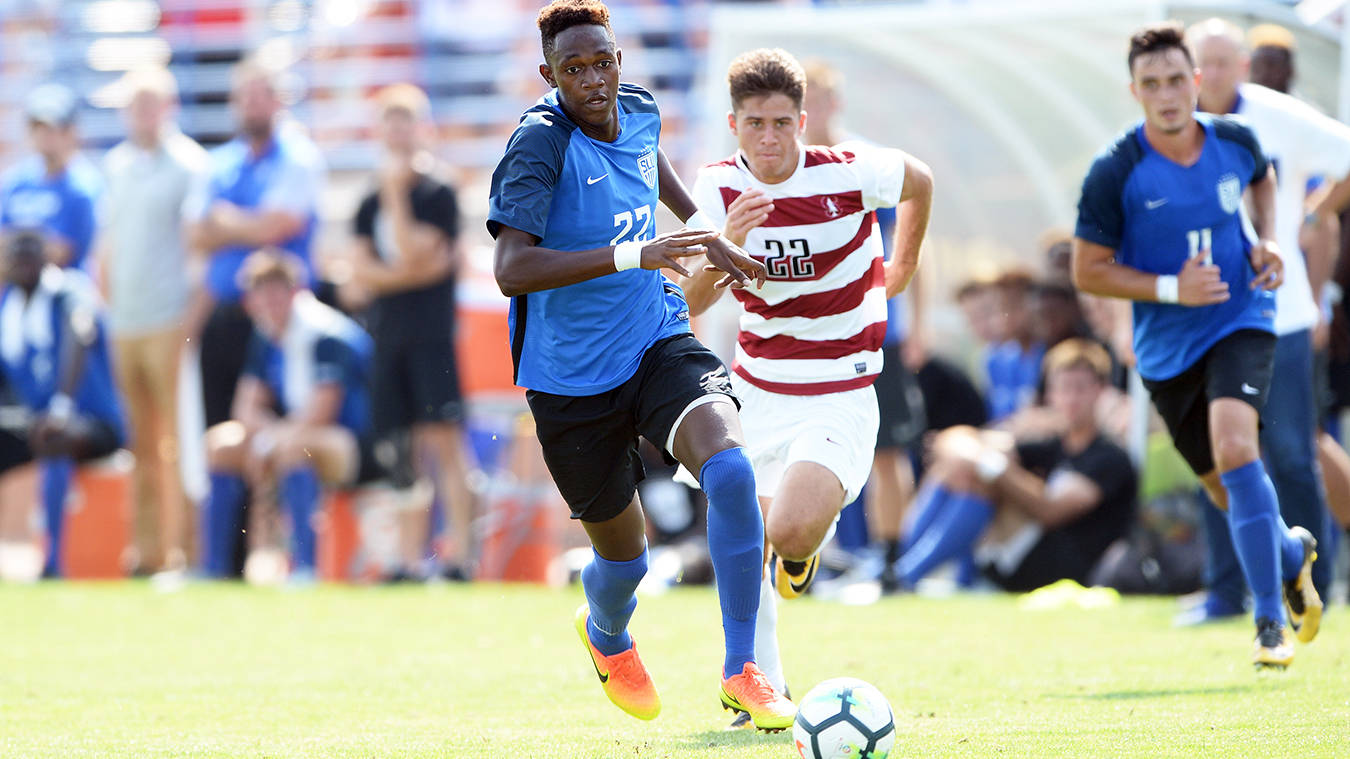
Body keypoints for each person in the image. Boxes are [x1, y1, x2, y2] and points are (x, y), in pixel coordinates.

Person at [487, 0, 794, 731]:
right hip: (569, 380)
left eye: (602, 62)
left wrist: (702, 232)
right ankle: (606, 634)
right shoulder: (538, 145)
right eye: (574, 69)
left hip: (654, 337)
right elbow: (510, 268)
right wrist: (637, 253)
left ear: (620, 59)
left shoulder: (639, 109)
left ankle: (744, 669)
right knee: (625, 562)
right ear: (549, 75)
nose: (592, 79)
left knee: (730, 469)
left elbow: (648, 161)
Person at [681, 48, 933, 699]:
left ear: (802, 121)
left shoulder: (846, 171)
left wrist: (897, 270)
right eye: (755, 123)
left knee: (787, 530)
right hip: (759, 386)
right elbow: (691, 300)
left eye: (781, 122)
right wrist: (724, 244)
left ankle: (804, 548)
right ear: (734, 124)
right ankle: (760, 685)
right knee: (745, 544)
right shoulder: (716, 187)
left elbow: (921, 180)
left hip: (840, 385)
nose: (769, 138)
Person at [1072, 22, 1318, 668]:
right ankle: (1291, 555)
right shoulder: (1115, 169)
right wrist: (1169, 288)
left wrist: (1266, 241)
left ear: (1197, 81)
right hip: (1167, 349)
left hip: (1242, 316)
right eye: (1152, 84)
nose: (1168, 94)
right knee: (1226, 488)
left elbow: (1261, 183)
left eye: (1177, 79)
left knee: (1241, 447)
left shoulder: (1235, 139)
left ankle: (1269, 620)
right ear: (1136, 91)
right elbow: (1087, 270)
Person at [1186, 18, 1350, 619]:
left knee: (1289, 451)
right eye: (1203, 63)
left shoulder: (1280, 117)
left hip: (1282, 316)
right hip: (1203, 318)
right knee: (1215, 454)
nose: (1213, 74)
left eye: (1225, 62)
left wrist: (1314, 212)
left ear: (1243, 67)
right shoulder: (1171, 130)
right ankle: (1226, 590)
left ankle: (1318, 586)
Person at [801, 57, 928, 595]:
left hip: (876, 331)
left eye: (821, 99)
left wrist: (917, 321)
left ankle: (894, 562)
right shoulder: (789, 170)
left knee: (890, 450)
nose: (813, 112)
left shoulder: (866, 163)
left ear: (837, 102)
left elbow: (910, 240)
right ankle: (813, 559)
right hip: (812, 336)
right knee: (808, 445)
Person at [349, 83, 476, 581]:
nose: (398, 132)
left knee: (446, 441)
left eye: (407, 121)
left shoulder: (436, 191)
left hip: (430, 334)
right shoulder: (366, 198)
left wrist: (397, 194)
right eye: (391, 121)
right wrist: (411, 270)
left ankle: (460, 554)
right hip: (388, 335)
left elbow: (408, 250)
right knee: (400, 447)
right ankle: (406, 558)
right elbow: (363, 274)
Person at [893, 340, 1135, 592]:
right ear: (1050, 394)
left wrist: (993, 467)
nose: (1071, 398)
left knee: (982, 482)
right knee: (961, 473)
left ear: (1101, 391)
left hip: (1066, 573)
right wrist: (981, 460)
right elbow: (952, 442)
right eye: (1063, 388)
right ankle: (898, 563)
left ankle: (905, 575)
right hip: (1022, 560)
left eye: (1080, 389)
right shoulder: (1051, 444)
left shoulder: (1109, 457)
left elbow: (1050, 511)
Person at [200, 250, 376, 584]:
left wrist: (270, 440)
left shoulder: (324, 333)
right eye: (260, 294)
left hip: (357, 443)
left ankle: (305, 567)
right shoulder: (267, 333)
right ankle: (216, 569)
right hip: (294, 432)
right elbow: (245, 408)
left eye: (275, 292)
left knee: (294, 447)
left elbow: (322, 413)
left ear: (295, 292)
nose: (267, 302)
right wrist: (268, 437)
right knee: (220, 444)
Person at [99, 67, 208, 576]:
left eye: (150, 104)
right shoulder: (117, 166)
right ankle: (147, 551)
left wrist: (190, 314)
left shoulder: (188, 164)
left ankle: (184, 549)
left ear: (169, 107)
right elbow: (108, 244)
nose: (142, 115)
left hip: (168, 316)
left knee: (177, 439)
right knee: (140, 443)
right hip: (126, 319)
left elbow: (195, 244)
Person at [186, 57, 325, 430]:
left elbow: (278, 226)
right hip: (225, 312)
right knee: (219, 430)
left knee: (277, 434)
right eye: (244, 96)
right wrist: (253, 222)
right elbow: (195, 233)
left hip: (278, 317)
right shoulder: (218, 163)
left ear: (279, 100)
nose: (252, 104)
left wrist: (225, 220)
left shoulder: (298, 157)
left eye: (261, 94)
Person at [0, 230, 124, 578]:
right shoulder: (9, 306)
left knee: (55, 439)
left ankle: (54, 562)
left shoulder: (68, 290)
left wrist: (61, 405)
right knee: (41, 434)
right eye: (16, 256)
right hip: (35, 421)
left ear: (46, 258)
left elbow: (79, 331)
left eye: (30, 255)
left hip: (93, 421)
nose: (22, 263)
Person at [0, 84, 99, 271]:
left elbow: (64, 252)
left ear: (70, 131)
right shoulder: (16, 183)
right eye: (38, 127)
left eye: (52, 128)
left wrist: (18, 248)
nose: (44, 136)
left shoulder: (83, 187)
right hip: (19, 296)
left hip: (62, 294)